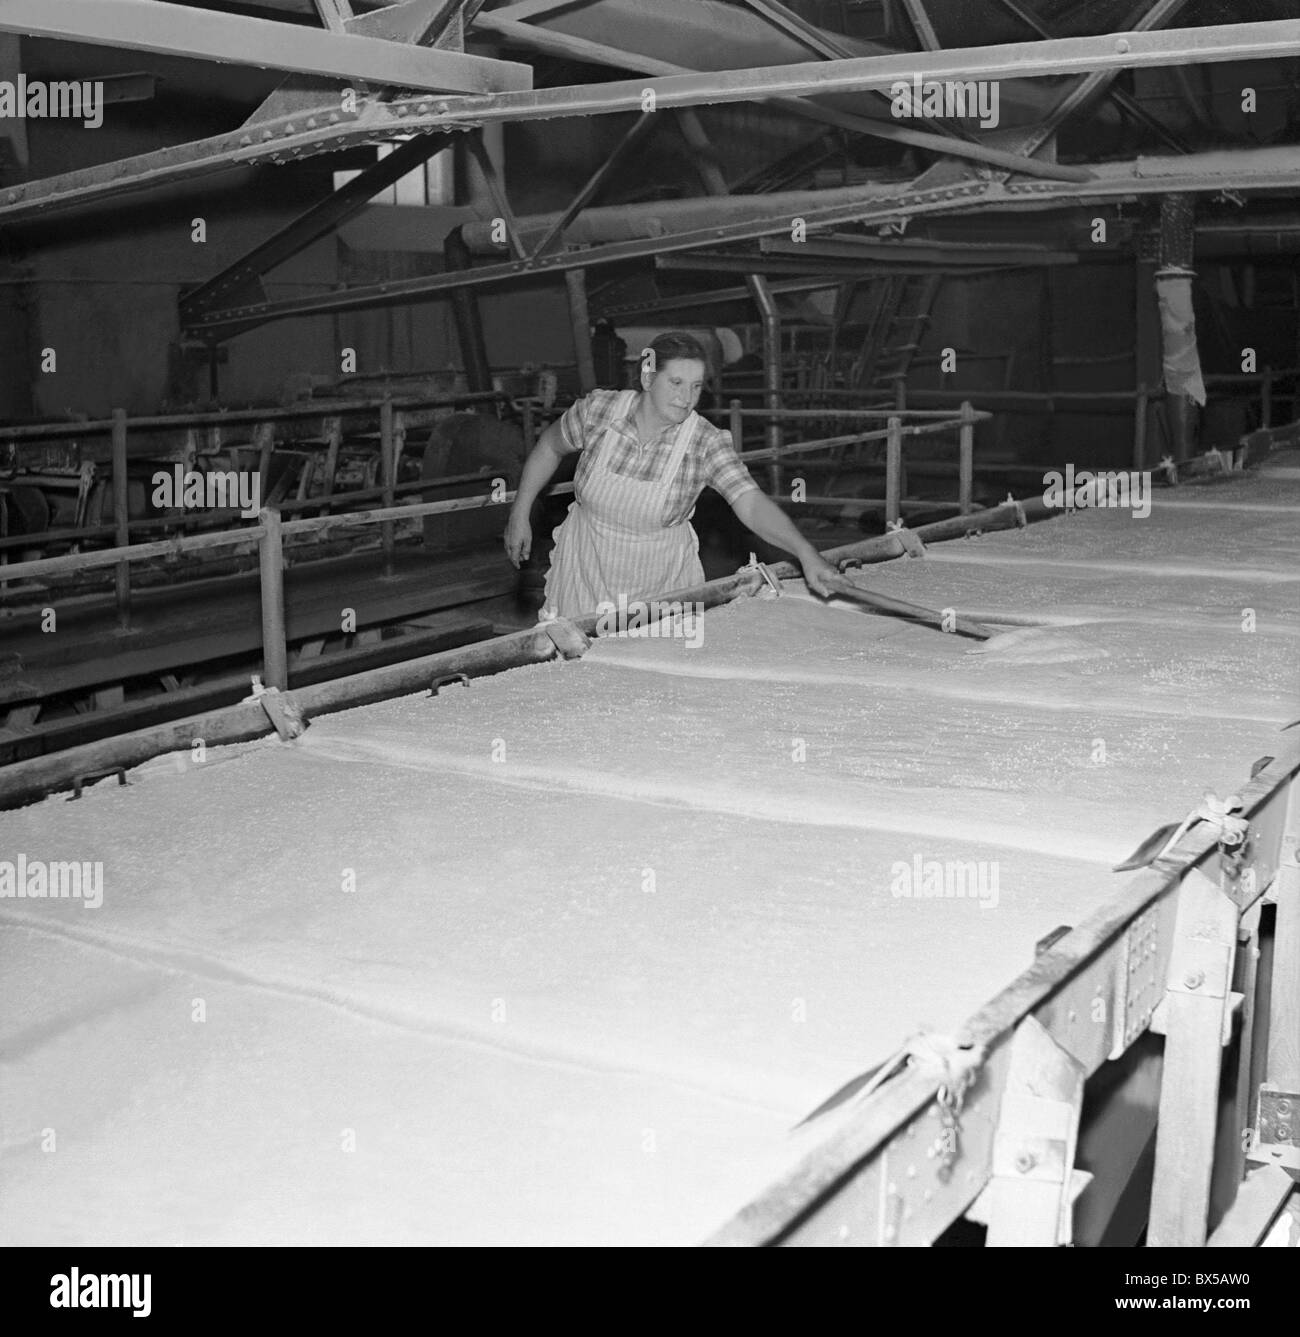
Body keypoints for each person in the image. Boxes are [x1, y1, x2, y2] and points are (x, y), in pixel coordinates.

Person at [503, 331, 837, 618]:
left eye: (696, 387)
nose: (687, 398)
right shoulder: (598, 412)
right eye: (676, 383)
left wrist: (806, 553)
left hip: (658, 583)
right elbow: (549, 447)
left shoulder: (704, 442)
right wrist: (520, 513)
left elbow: (749, 502)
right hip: (584, 569)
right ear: (648, 379)